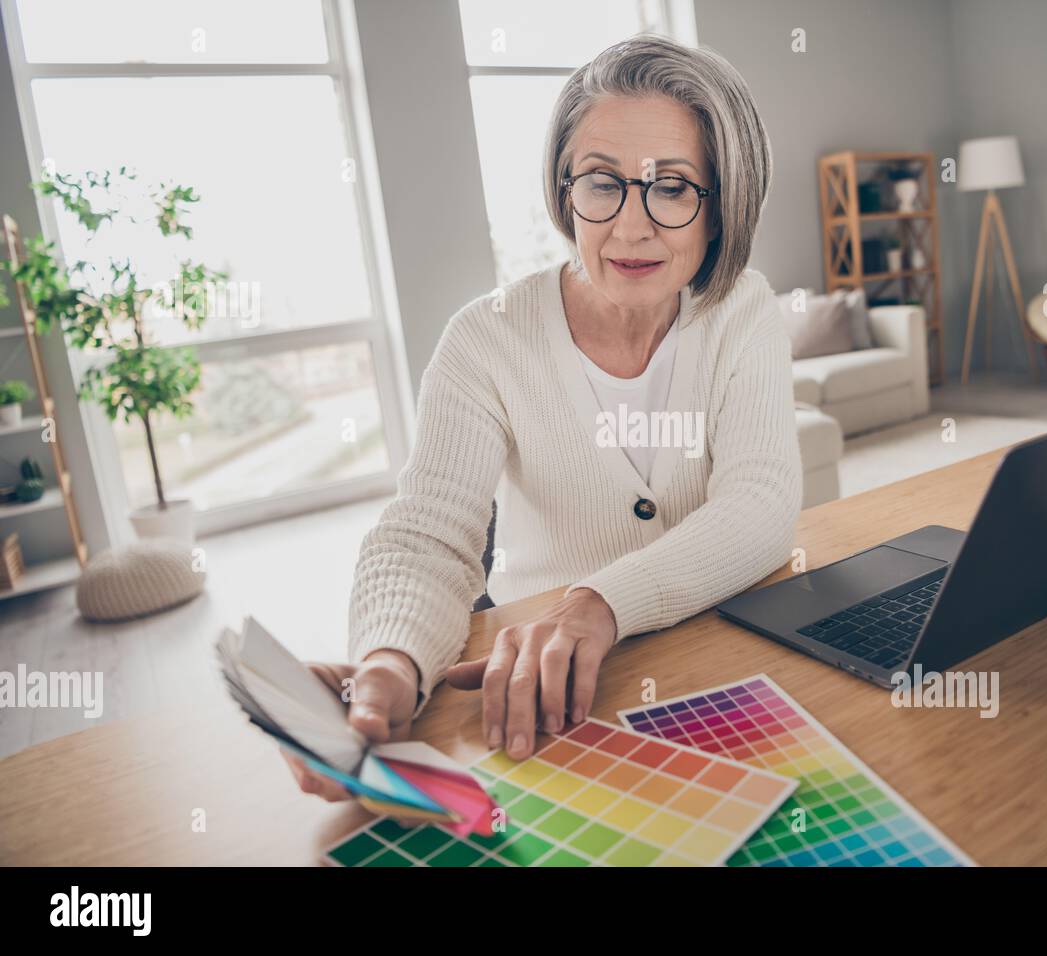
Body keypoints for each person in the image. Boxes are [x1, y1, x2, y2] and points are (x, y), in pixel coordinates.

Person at [285, 33, 801, 802]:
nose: (630, 228)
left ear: (724, 204)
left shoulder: (743, 311)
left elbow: (760, 506)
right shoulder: (486, 337)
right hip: (551, 700)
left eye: (672, 188)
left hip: (718, 661)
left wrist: (600, 605)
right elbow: (428, 533)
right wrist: (390, 664)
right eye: (601, 183)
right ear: (565, 192)